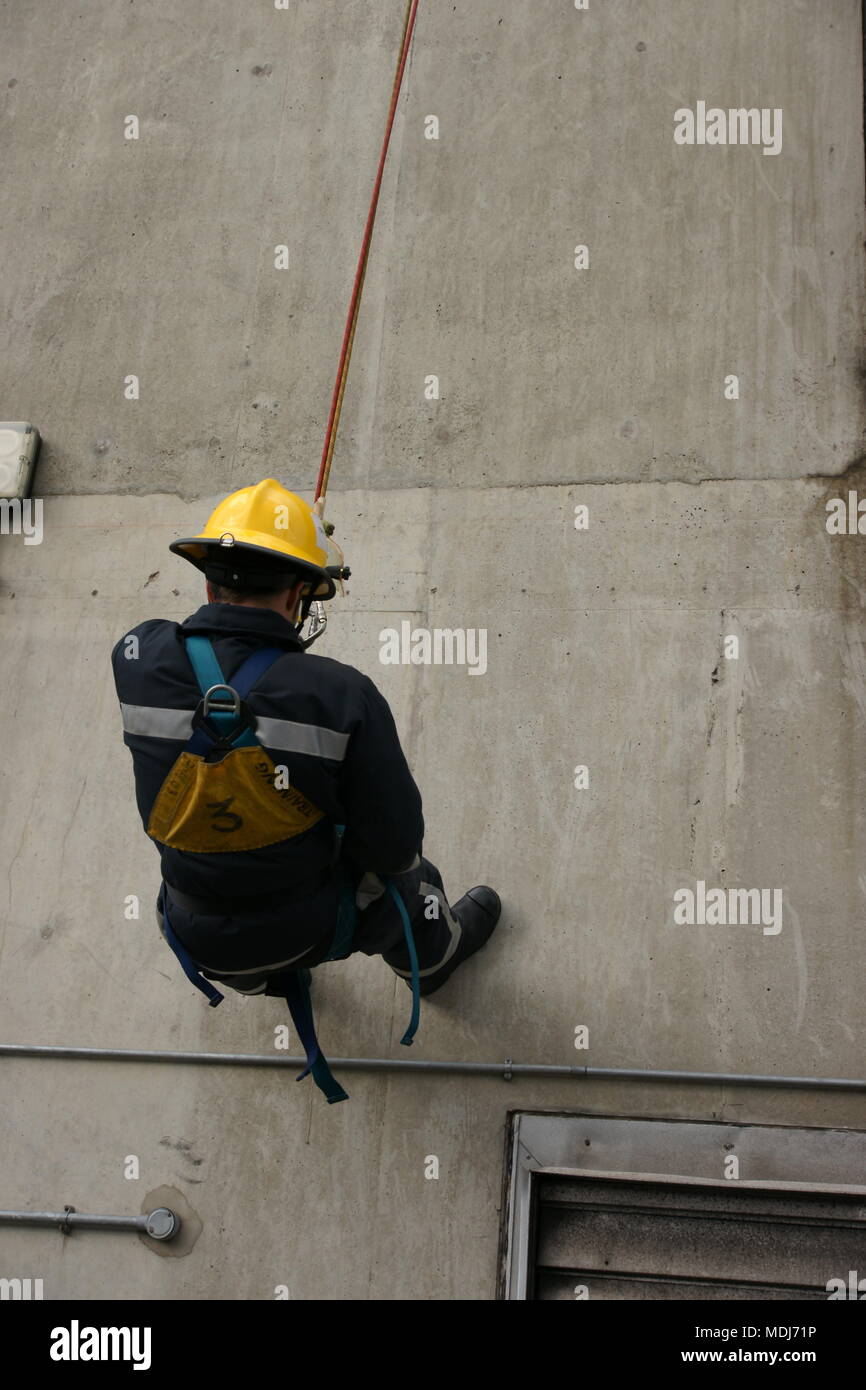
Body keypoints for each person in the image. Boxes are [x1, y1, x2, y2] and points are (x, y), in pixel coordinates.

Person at [111, 478, 501, 1097]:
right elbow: (393, 846)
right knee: (412, 883)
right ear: (298, 597)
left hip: (198, 926)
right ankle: (435, 961)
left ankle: (258, 981)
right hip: (314, 923)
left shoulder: (135, 658)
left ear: (209, 583)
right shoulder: (340, 694)